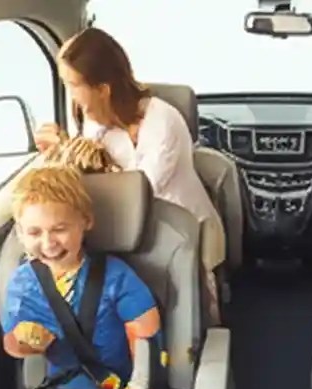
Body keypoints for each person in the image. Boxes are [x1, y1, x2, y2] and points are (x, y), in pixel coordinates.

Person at [34, 27, 225, 325]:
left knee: (192, 308)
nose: (70, 95)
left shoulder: (162, 123)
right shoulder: (87, 118)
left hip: (179, 227)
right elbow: (88, 171)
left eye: (73, 85)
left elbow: (140, 195)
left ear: (103, 89)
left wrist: (76, 152)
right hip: (119, 228)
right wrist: (61, 155)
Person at [1, 165, 162, 389]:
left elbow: (145, 332)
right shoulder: (23, 283)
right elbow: (13, 344)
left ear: (85, 222)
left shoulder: (114, 274)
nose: (48, 243)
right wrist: (25, 341)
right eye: (34, 232)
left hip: (120, 386)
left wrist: (140, 386)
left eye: (59, 229)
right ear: (20, 233)